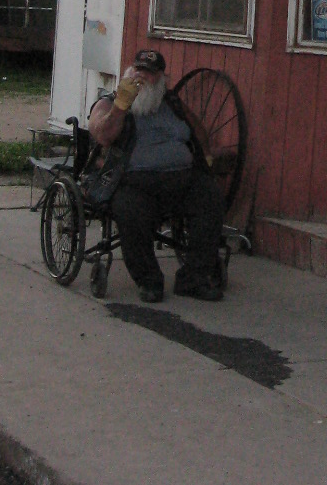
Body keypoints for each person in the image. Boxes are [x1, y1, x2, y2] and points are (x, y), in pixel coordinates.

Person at [88, 47, 226, 303]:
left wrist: (205, 155)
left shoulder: (171, 104)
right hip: (135, 182)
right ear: (129, 72)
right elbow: (102, 134)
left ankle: (193, 279)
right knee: (130, 211)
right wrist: (121, 106)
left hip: (181, 179)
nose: (142, 77)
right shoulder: (109, 102)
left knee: (211, 197)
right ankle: (149, 281)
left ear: (161, 78)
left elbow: (198, 129)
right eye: (138, 70)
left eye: (150, 73)